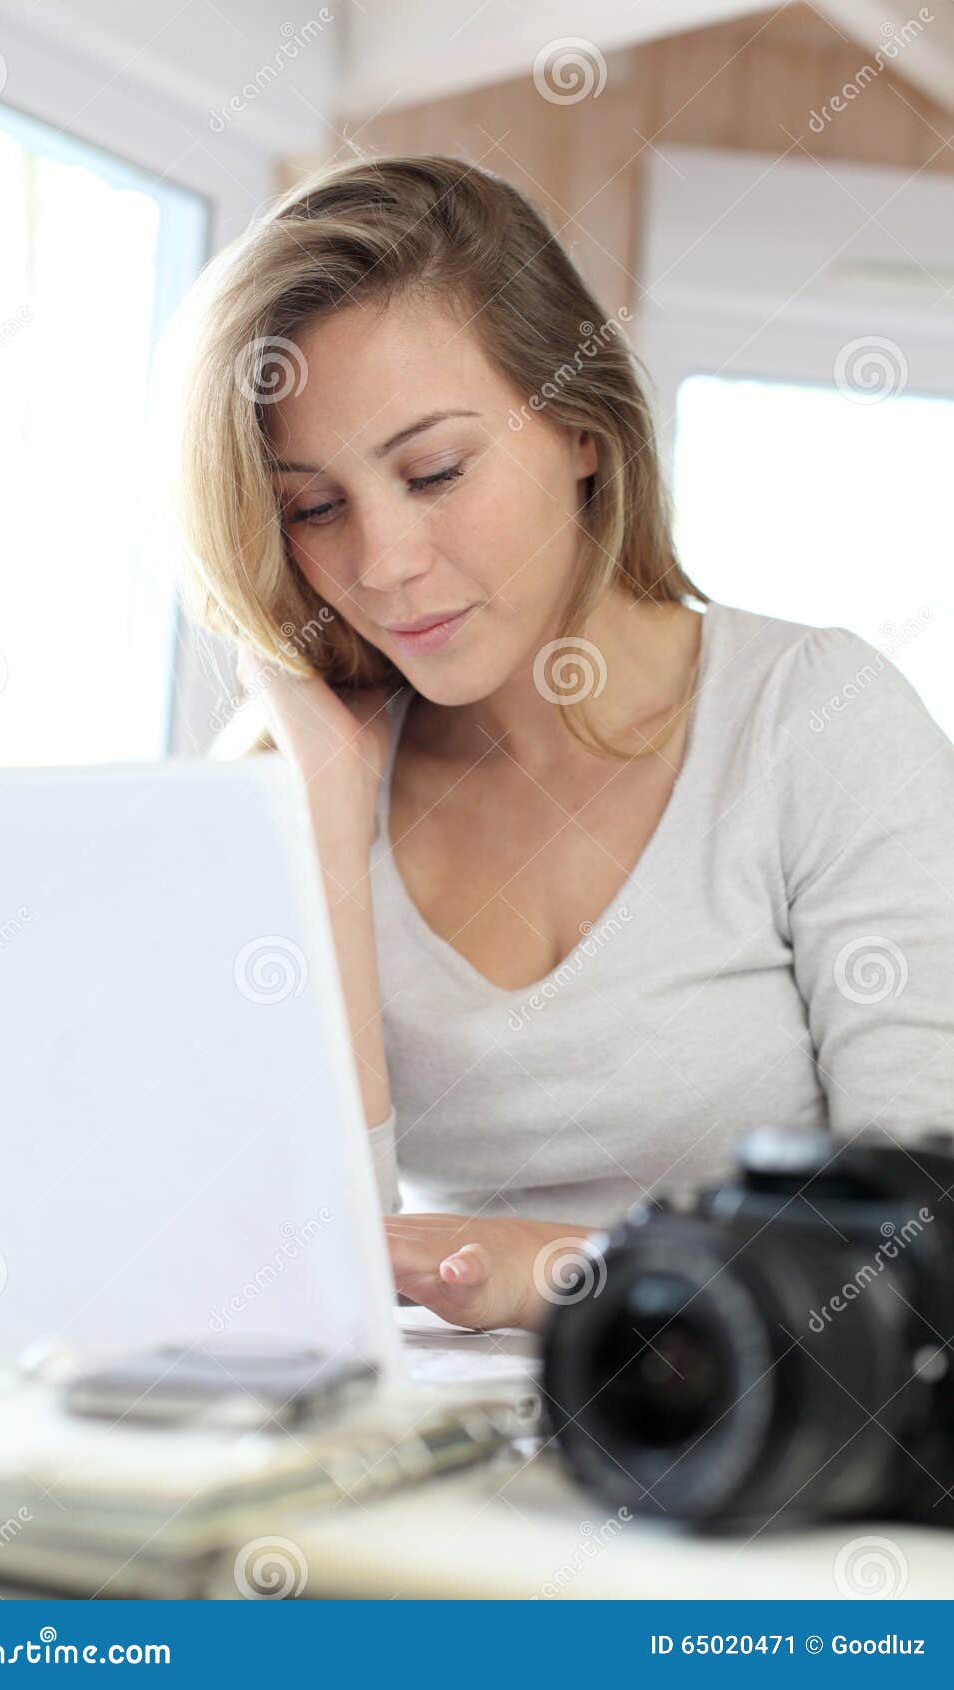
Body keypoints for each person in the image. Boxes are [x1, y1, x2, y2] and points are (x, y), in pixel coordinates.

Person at [177, 154, 954, 1334]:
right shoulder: (297, 777)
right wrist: (325, 846)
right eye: (312, 507)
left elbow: (929, 1243)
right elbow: (285, 1293)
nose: (380, 564)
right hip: (404, 1490)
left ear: (580, 429)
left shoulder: (811, 719)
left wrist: (560, 1268)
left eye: (433, 471)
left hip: (768, 1467)